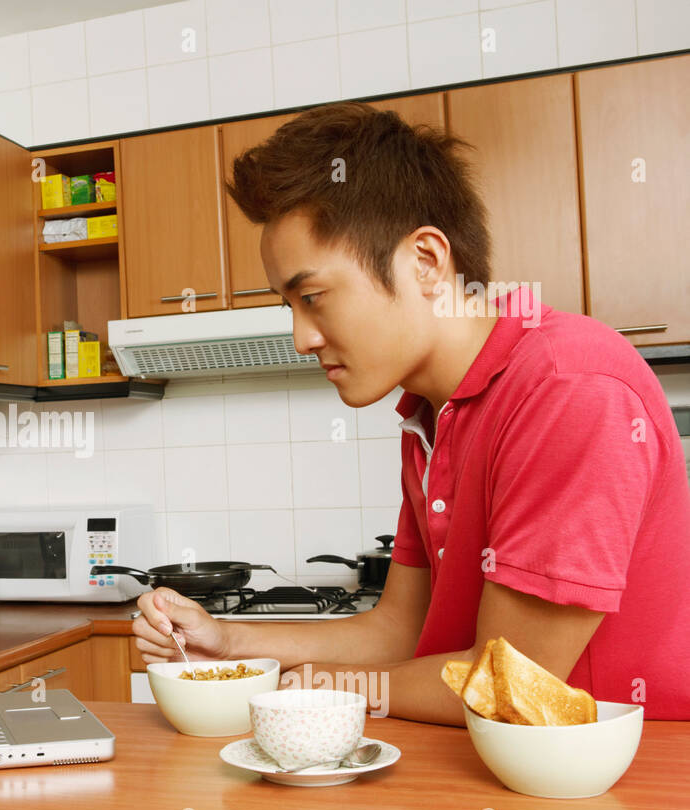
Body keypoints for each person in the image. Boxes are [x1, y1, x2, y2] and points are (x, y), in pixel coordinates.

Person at [133, 102, 690, 723]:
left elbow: (514, 687)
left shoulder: (568, 387)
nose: (302, 338)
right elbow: (399, 630)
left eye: (313, 297)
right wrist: (227, 639)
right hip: (492, 777)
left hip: (628, 789)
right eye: (289, 306)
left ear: (426, 262)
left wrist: (335, 688)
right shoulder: (429, 415)